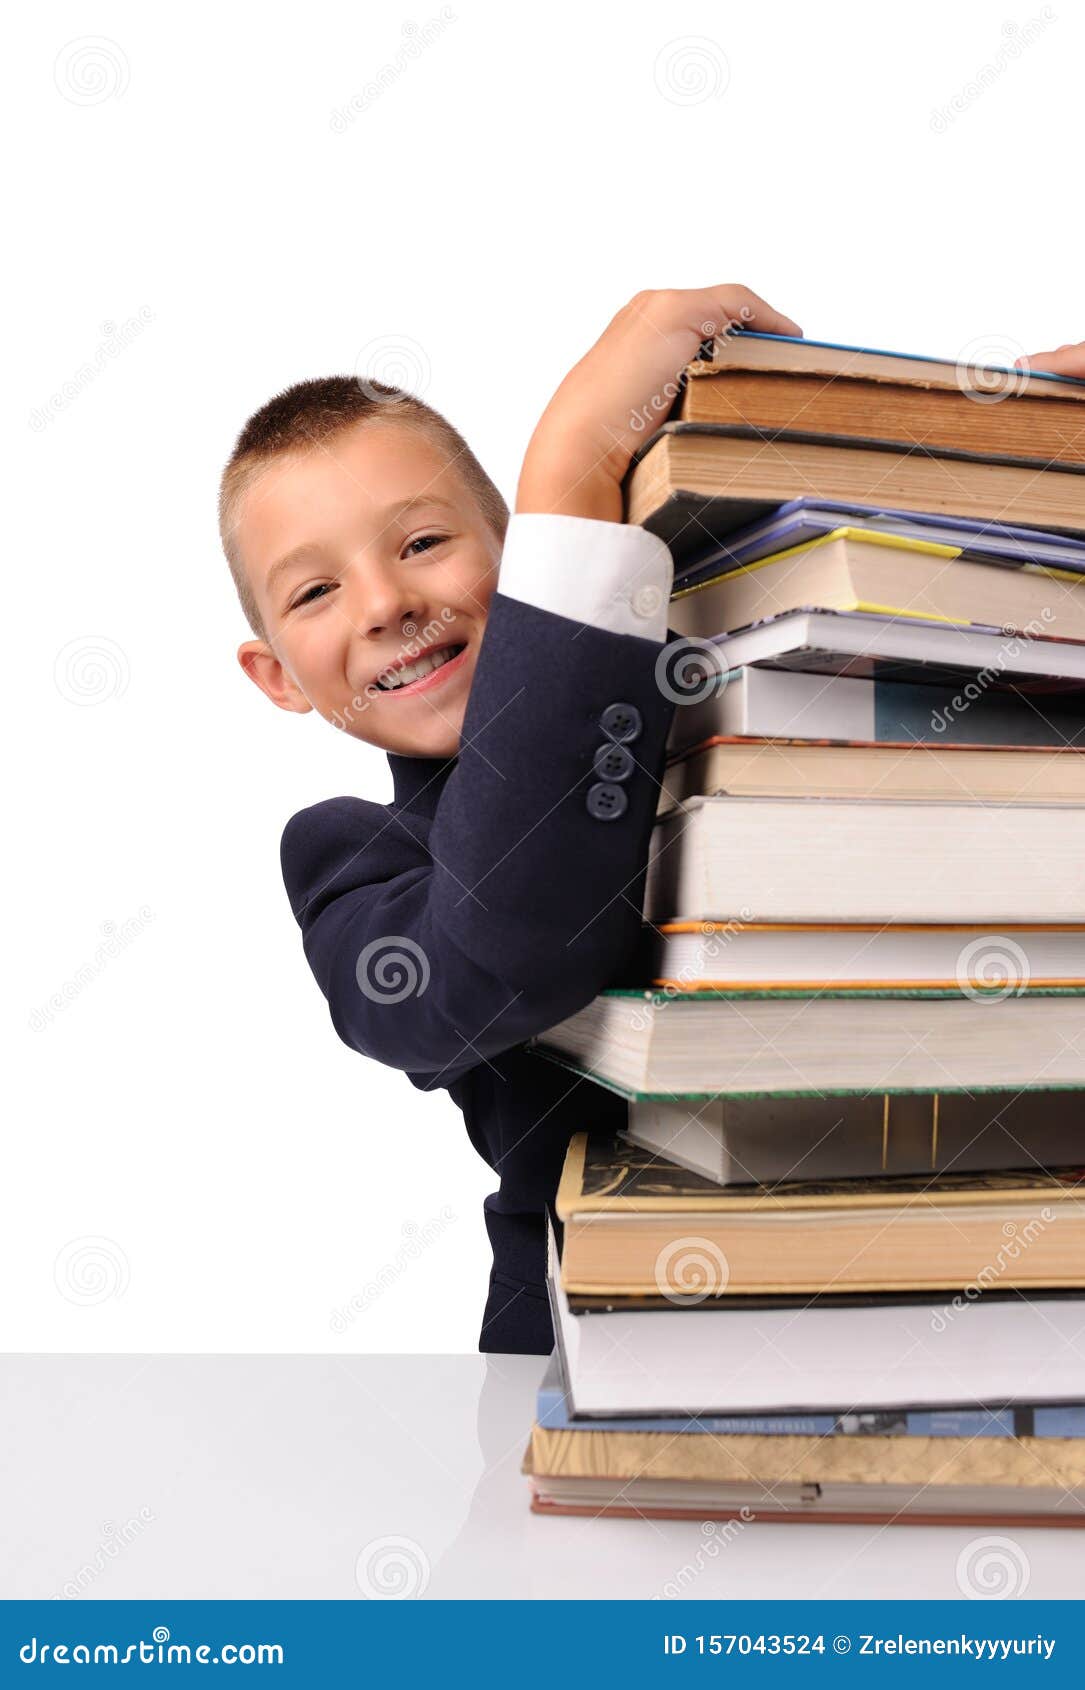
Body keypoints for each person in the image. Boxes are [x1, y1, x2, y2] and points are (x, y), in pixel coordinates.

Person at [219, 284, 801, 1352]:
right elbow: (506, 950)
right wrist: (572, 454)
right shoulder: (349, 867)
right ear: (276, 677)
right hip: (592, 1342)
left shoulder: (711, 687)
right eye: (312, 593)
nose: (384, 603)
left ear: (514, 555)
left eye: (425, 541)